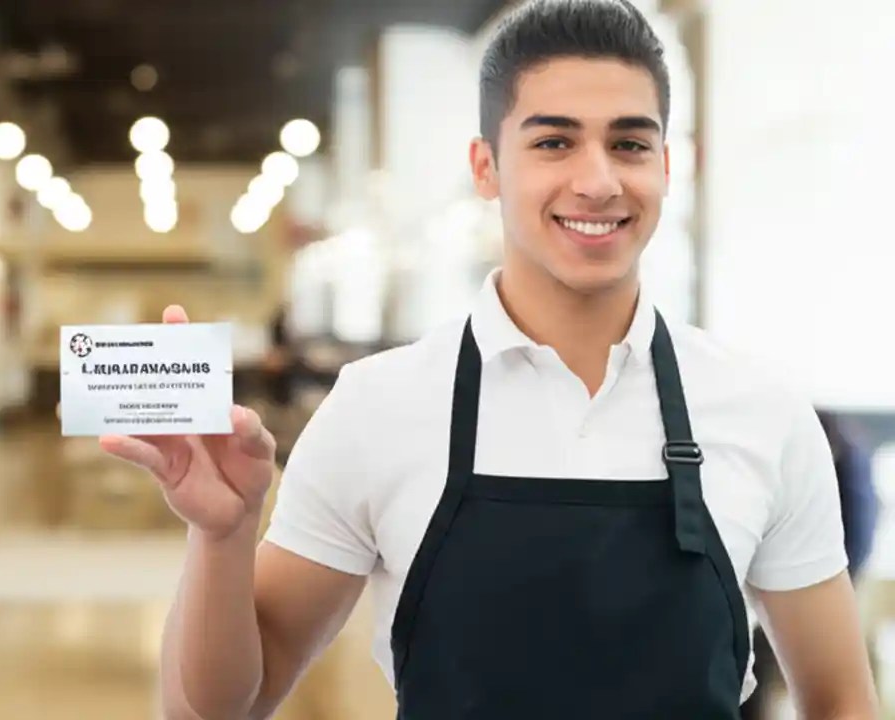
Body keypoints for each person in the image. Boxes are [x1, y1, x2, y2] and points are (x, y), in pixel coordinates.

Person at [100, 1, 880, 717]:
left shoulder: (762, 414)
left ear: (667, 168)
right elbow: (218, 707)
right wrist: (223, 537)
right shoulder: (380, 406)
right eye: (553, 141)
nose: (598, 180)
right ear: (486, 167)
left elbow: (842, 699)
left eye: (630, 143)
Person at [742, 410, 882, 718]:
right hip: (799, 582)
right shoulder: (834, 444)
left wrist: (830, 585)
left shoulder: (843, 451)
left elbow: (859, 528)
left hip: (829, 582)